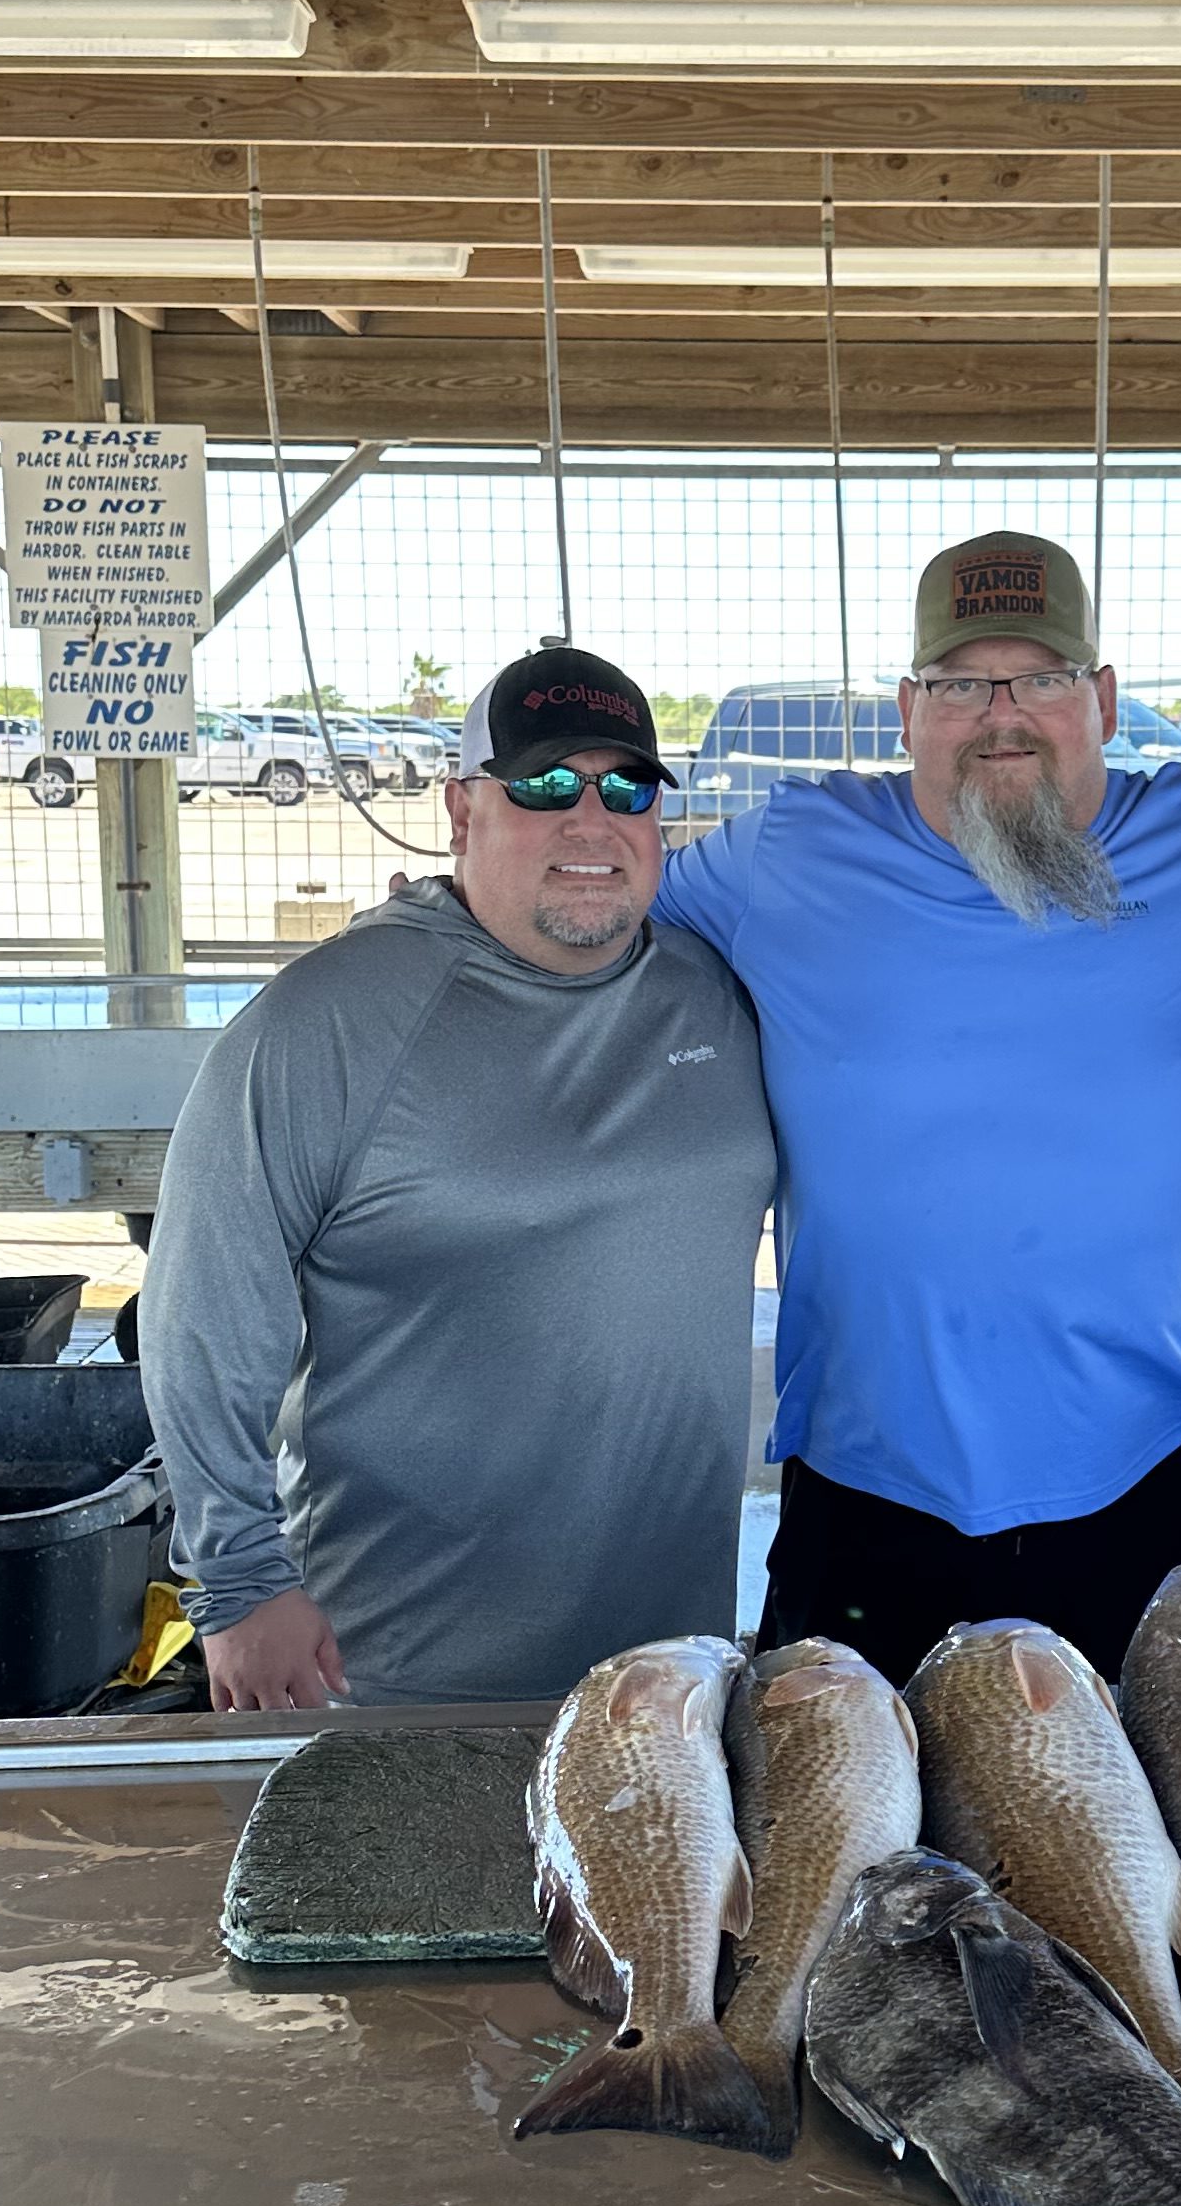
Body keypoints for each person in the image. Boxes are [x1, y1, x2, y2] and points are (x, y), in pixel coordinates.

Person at [655, 527, 1181, 1684]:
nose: (1003, 714)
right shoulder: (788, 852)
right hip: (871, 1475)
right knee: (858, 1853)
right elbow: (605, 943)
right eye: (961, 685)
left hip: (1157, 1467)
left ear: (1105, 697)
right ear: (907, 706)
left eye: (1042, 678)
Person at [144, 640, 773, 1709]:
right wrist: (239, 1586)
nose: (589, 820)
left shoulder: (720, 993)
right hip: (397, 1676)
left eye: (626, 787)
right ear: (462, 811)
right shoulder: (323, 1022)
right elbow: (201, 1315)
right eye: (541, 785)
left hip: (665, 1679)